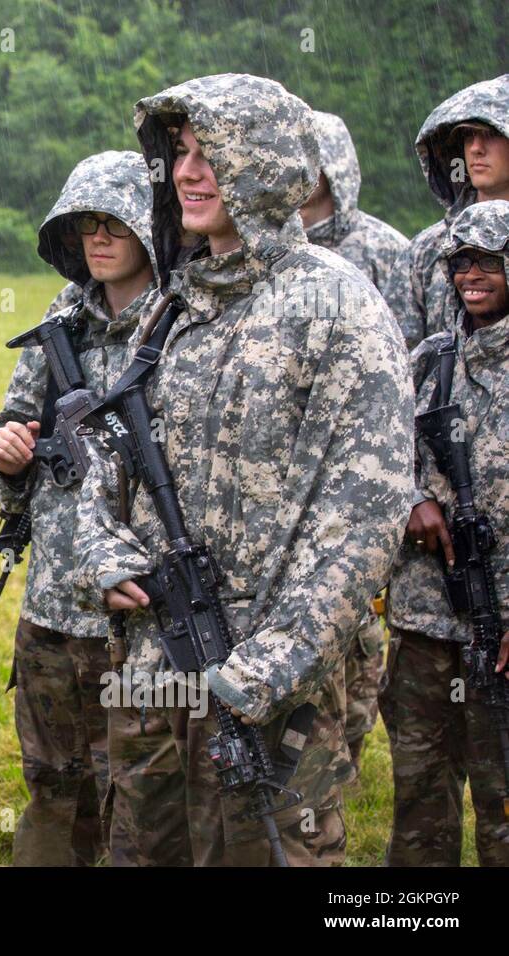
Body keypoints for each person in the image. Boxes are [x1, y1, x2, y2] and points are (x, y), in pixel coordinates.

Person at [72, 73, 414, 866]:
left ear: (262, 164)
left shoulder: (336, 304)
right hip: (156, 672)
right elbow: (108, 451)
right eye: (179, 153)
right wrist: (104, 555)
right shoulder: (173, 305)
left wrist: (265, 669)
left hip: (276, 688)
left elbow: (365, 510)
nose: (187, 171)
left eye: (210, 152)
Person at [0, 150, 159, 866]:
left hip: (139, 610)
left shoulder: (180, 326)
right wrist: (9, 457)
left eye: (115, 220)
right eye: (86, 223)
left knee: (137, 793)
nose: (99, 236)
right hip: (54, 602)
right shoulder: (63, 320)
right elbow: (14, 424)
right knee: (53, 782)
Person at [382, 198, 509, 867]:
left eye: (488, 261)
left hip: (503, 628)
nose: (471, 276)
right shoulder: (427, 360)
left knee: (504, 802)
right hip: (424, 619)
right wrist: (409, 499)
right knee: (421, 803)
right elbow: (370, 447)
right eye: (461, 263)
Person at [300, 109, 408, 774]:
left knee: (356, 626)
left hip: (365, 475)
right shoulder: (258, 251)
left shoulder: (385, 253)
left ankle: (344, 752)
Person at [384, 75, 509, 350]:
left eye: (491, 134)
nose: (476, 148)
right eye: (468, 136)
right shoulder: (426, 252)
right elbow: (396, 357)